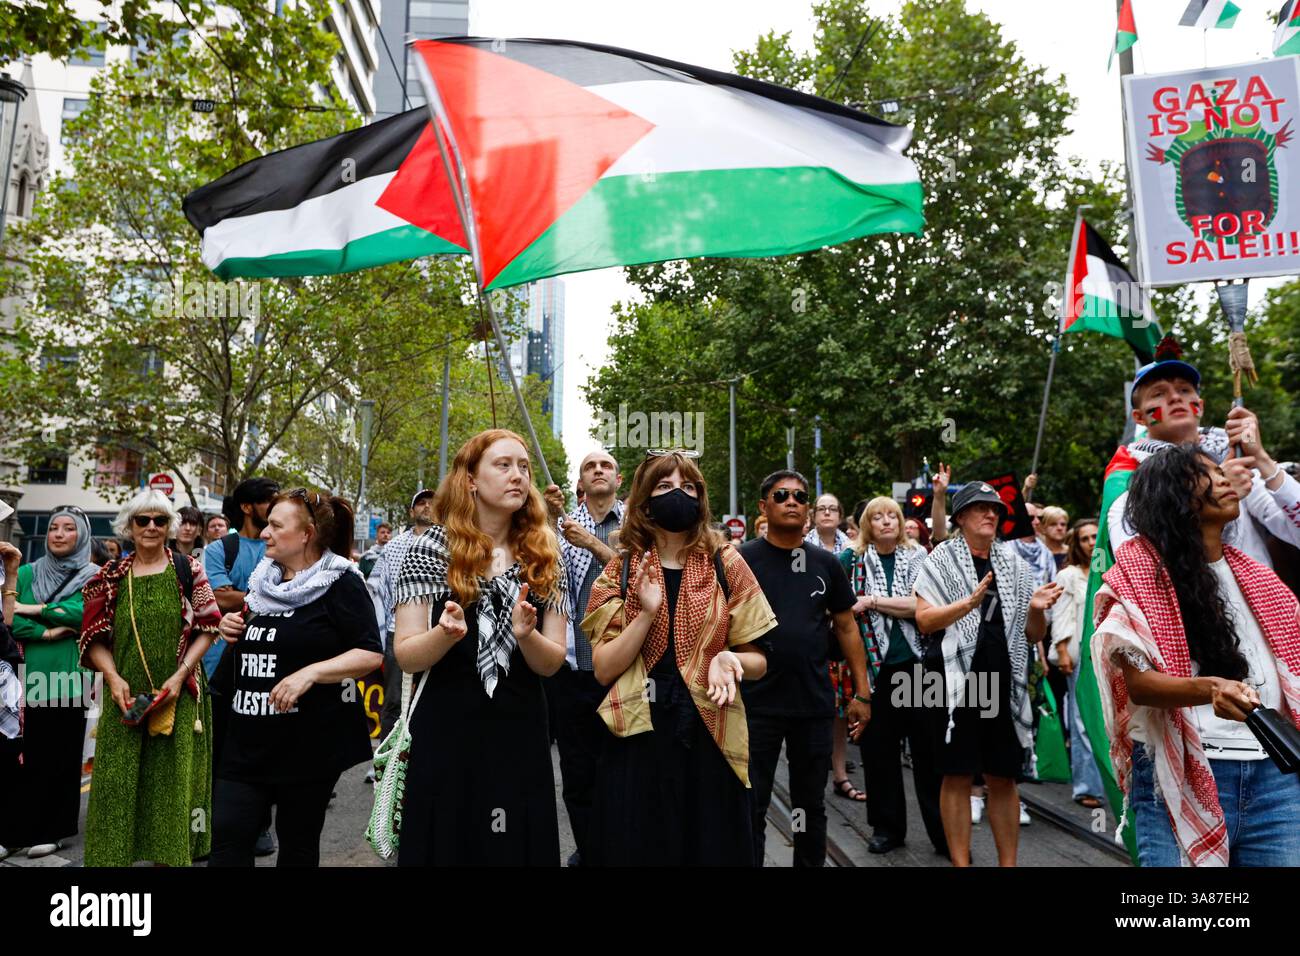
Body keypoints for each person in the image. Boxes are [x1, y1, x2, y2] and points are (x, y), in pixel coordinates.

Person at [1093, 446, 1300, 866]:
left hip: (1275, 777)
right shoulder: (1138, 574)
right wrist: (1211, 688)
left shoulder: (1262, 578)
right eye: (1205, 473)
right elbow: (1140, 684)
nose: (1224, 478)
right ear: (1174, 495)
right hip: (1184, 768)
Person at [582, 450, 774, 865]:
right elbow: (603, 669)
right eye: (665, 486)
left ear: (701, 498)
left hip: (710, 729)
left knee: (710, 844)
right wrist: (646, 613)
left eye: (688, 487)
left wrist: (730, 658)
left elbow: (759, 658)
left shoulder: (727, 563)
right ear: (645, 500)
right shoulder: (621, 569)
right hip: (638, 732)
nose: (678, 495)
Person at [393, 429, 570, 866]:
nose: (518, 476)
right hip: (445, 736)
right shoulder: (428, 551)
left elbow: (552, 665)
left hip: (520, 736)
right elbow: (406, 655)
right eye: (503, 465)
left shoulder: (545, 556)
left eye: (524, 467)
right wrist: (443, 634)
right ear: (470, 478)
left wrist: (528, 636)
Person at [210, 489, 382, 866]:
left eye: (275, 525)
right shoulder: (262, 581)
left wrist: (311, 673)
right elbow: (255, 642)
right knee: (227, 841)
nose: (265, 533)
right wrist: (230, 628)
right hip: (244, 742)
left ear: (306, 535)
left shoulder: (340, 581)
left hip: (307, 747)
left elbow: (370, 651)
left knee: (297, 847)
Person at [913, 481, 1062, 866]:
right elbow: (925, 621)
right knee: (957, 775)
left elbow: (1035, 635)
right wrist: (967, 604)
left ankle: (1007, 864)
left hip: (1004, 683)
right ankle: (961, 863)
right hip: (950, 684)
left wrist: (1036, 609)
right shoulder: (940, 560)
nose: (991, 514)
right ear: (961, 517)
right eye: (981, 508)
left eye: (995, 509)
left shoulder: (1014, 563)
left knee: (1003, 777)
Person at [78, 490, 221, 866]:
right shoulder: (109, 576)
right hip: (123, 697)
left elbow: (209, 625)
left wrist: (180, 676)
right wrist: (112, 677)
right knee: (115, 786)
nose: (152, 527)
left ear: (170, 526)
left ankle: (168, 861)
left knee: (171, 789)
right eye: (144, 520)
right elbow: (92, 637)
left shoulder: (188, 569)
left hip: (179, 694)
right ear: (129, 526)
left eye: (160, 520)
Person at [742, 471, 869, 866]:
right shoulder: (740, 560)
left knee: (808, 808)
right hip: (755, 705)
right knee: (751, 804)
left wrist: (862, 693)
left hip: (812, 704)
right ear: (764, 507)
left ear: (809, 511)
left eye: (800, 496)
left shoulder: (826, 564)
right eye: (781, 495)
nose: (792, 501)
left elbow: (847, 627)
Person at [850, 496, 948, 856]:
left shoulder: (919, 557)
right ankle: (886, 828)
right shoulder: (854, 560)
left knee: (929, 753)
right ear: (868, 526)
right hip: (876, 673)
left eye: (893, 515)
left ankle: (942, 832)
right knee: (879, 754)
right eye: (878, 518)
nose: (887, 522)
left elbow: (921, 607)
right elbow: (845, 609)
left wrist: (872, 601)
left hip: (919, 669)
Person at [0, 504, 99, 860]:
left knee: (62, 753)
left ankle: (53, 829)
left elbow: (87, 614)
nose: (58, 533)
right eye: (54, 527)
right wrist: (55, 628)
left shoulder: (94, 575)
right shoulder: (25, 572)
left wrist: (36, 610)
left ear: (82, 535)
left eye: (68, 528)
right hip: (26, 673)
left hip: (74, 674)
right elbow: (11, 621)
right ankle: (13, 830)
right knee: (21, 756)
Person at [543, 450, 623, 867]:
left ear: (618, 479)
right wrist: (545, 517)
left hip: (626, 674)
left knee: (622, 772)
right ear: (579, 482)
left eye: (605, 466)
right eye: (589, 467)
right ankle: (590, 852)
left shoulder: (637, 525)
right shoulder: (561, 525)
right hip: (574, 672)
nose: (597, 471)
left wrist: (591, 543)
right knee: (578, 774)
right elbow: (542, 574)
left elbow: (638, 577)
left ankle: (616, 848)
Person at [201, 475, 280, 857]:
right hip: (220, 665)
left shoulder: (279, 547)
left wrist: (242, 595)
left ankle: (261, 826)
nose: (276, 507)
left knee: (262, 749)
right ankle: (213, 828)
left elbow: (235, 595)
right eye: (270, 500)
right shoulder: (222, 548)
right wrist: (268, 594)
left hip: (270, 666)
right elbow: (217, 596)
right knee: (218, 752)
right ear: (249, 507)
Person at [367, 490, 435, 742]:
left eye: (432, 503)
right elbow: (377, 589)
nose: (427, 507)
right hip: (399, 631)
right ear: (411, 511)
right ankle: (386, 765)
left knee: (433, 697)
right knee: (394, 700)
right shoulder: (394, 546)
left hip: (438, 631)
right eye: (421, 503)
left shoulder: (451, 544)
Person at [1049, 518, 1105, 809]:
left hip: (1108, 655)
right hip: (1080, 654)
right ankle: (1087, 786)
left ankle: (1110, 783)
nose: (1090, 542)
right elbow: (1061, 615)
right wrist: (1062, 651)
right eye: (1084, 538)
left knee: (1109, 721)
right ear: (1076, 543)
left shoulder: (1108, 571)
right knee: (1082, 721)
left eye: (1095, 536)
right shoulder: (1068, 575)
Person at [1039, 506, 1070, 571]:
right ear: (1043, 528)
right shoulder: (1036, 553)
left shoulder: (1072, 552)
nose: (1059, 528)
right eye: (1053, 524)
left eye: (1063, 524)